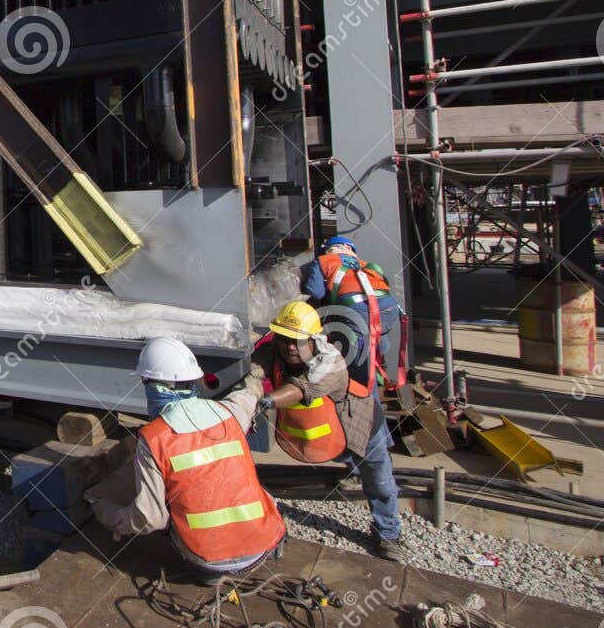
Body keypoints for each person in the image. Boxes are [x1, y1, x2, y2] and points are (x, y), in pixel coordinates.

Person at [87, 337, 286, 580]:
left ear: (150, 384)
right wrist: (257, 367)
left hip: (208, 561)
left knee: (166, 503)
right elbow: (247, 394)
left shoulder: (154, 438)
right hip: (264, 543)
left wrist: (107, 512)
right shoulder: (229, 414)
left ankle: (210, 573)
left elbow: (149, 519)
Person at [257, 301, 404, 561]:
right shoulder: (275, 352)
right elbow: (254, 367)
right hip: (324, 431)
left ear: (315, 339)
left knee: (379, 479)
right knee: (351, 462)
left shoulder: (330, 361)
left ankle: (388, 533)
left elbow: (304, 388)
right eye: (286, 339)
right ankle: (352, 471)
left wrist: (264, 401)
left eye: (299, 341)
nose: (291, 346)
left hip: (359, 426)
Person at [301, 235, 406, 396]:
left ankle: (366, 402)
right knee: (378, 346)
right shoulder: (364, 265)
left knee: (360, 367)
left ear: (327, 250)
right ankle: (378, 374)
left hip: (360, 312)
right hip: (389, 309)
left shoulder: (324, 261)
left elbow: (316, 292)